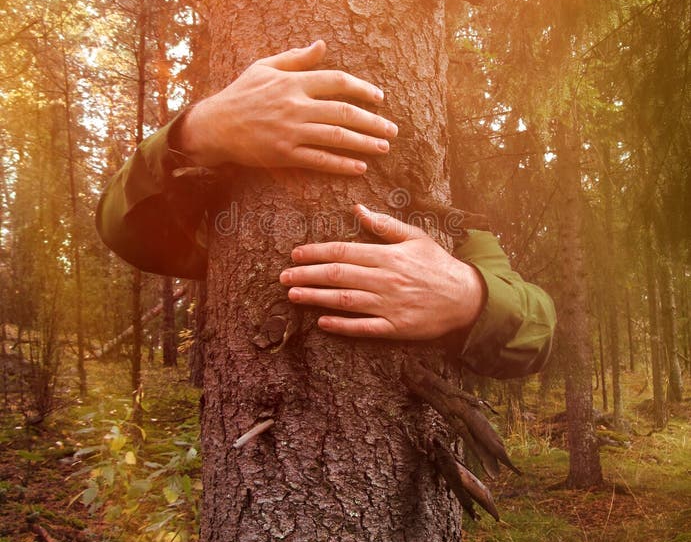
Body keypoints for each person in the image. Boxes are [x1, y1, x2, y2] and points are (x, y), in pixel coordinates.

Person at [96, 40, 555, 379]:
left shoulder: (450, 225)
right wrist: (199, 131)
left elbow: (537, 334)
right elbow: (123, 228)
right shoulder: (225, 185)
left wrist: (468, 296)